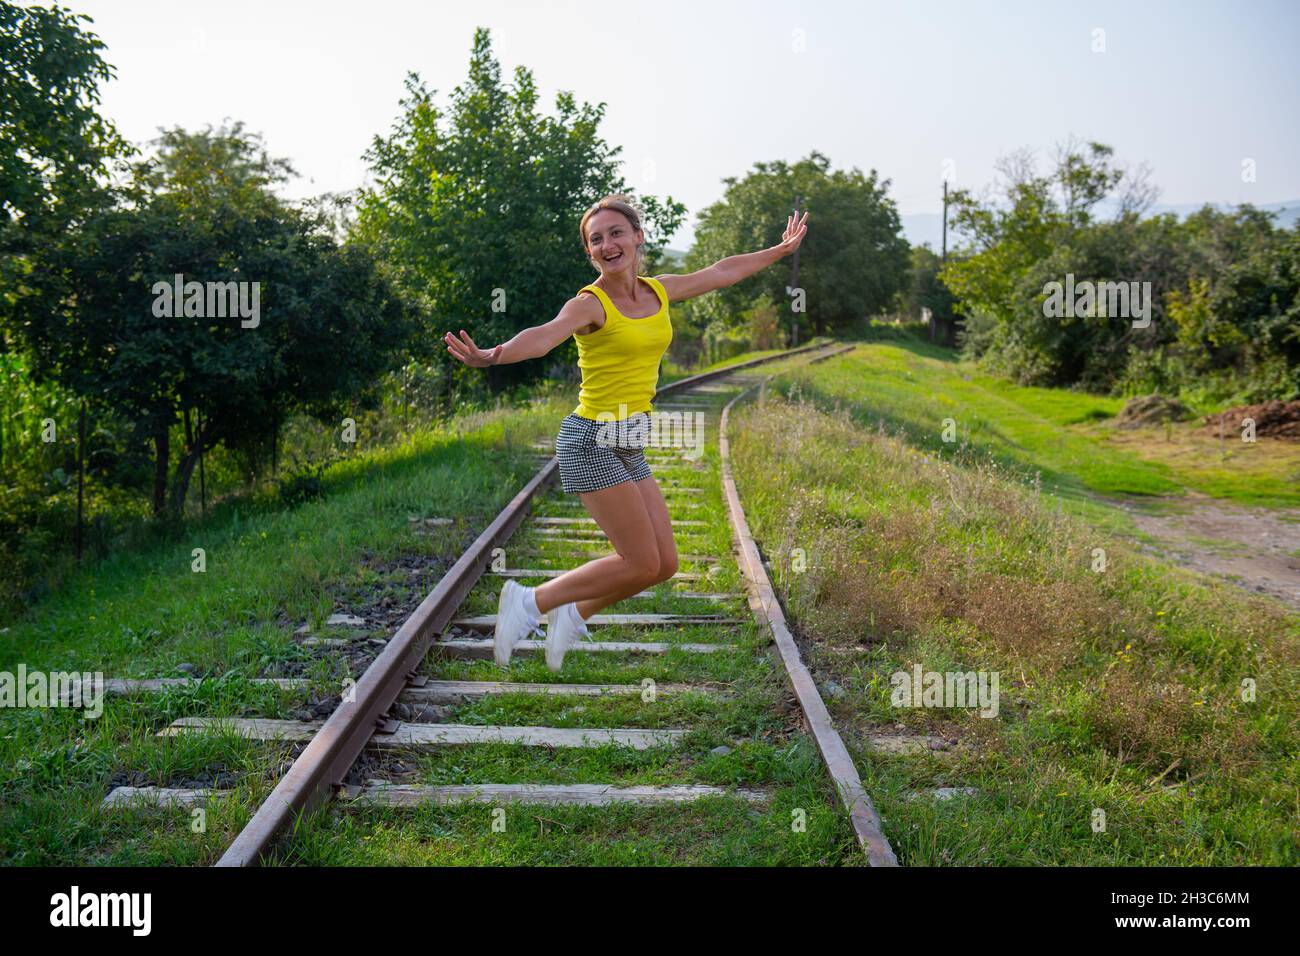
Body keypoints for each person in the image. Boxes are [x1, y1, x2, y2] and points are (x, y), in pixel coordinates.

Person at [444, 193, 808, 671]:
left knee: (664, 565)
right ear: (591, 253)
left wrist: (778, 252)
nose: (607, 244)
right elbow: (542, 336)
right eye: (596, 239)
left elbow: (721, 271)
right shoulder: (588, 305)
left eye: (616, 233)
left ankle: (572, 614)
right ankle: (529, 602)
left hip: (628, 442)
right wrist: (493, 355)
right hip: (591, 439)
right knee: (637, 562)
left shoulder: (658, 291)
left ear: (637, 237)